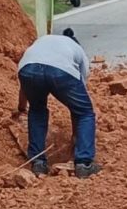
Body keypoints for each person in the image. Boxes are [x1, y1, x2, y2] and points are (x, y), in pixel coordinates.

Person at [16, 28, 101, 179]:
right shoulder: (78, 51)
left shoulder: (43, 41)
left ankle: (38, 162)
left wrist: (21, 109)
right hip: (61, 71)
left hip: (28, 69)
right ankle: (84, 163)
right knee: (85, 112)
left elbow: (24, 88)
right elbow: (79, 104)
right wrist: (76, 137)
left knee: (36, 110)